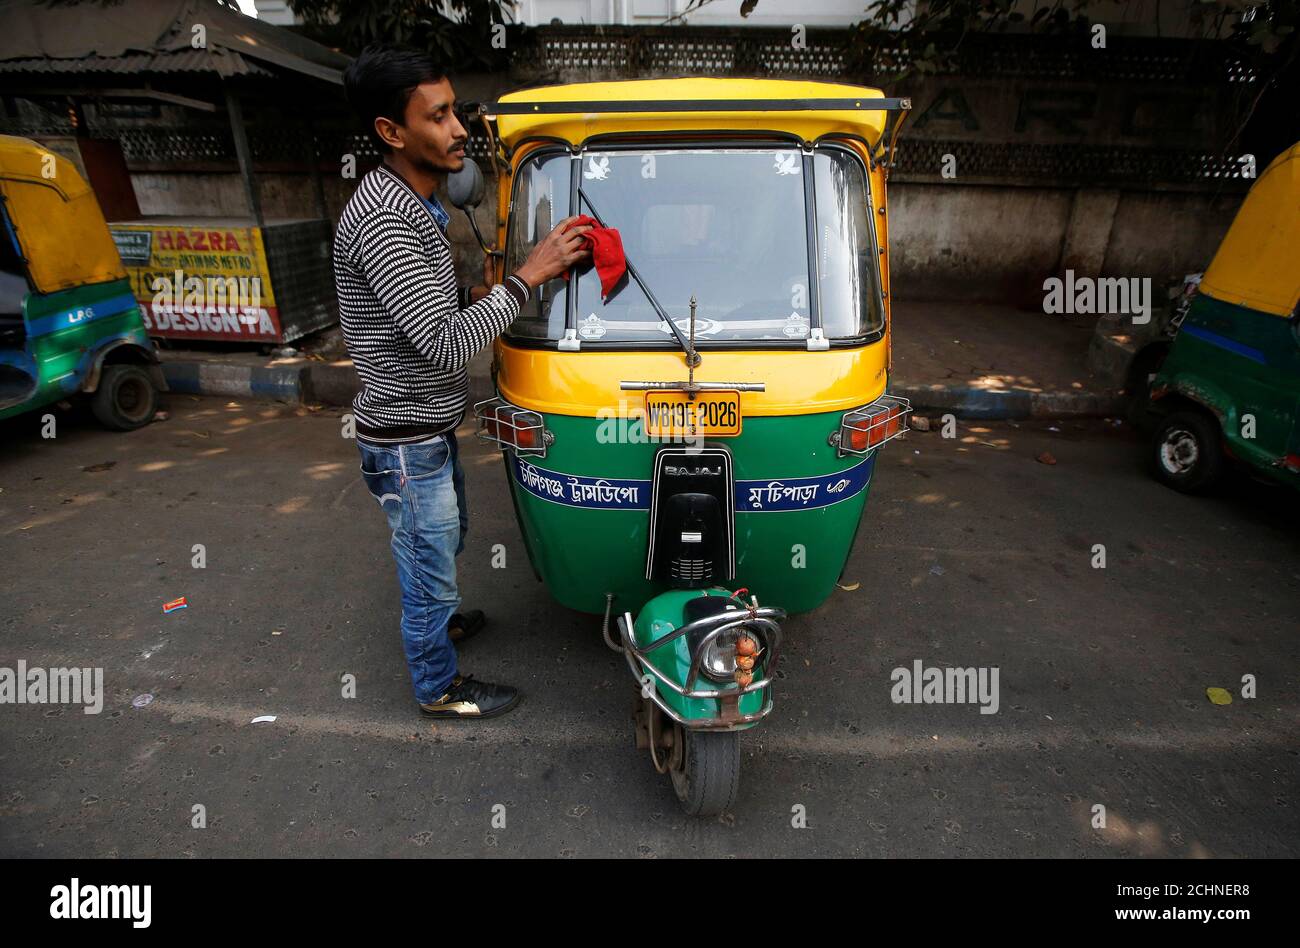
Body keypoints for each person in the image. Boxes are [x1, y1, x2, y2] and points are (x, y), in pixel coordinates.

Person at [333, 44, 591, 718]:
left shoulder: (414, 203)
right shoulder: (386, 218)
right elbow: (445, 344)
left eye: (455, 112)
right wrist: (527, 278)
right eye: (438, 117)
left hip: (427, 427)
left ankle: (437, 622)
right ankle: (438, 687)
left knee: (444, 543)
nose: (457, 131)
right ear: (392, 132)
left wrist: (487, 292)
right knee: (428, 564)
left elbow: (432, 313)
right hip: (406, 438)